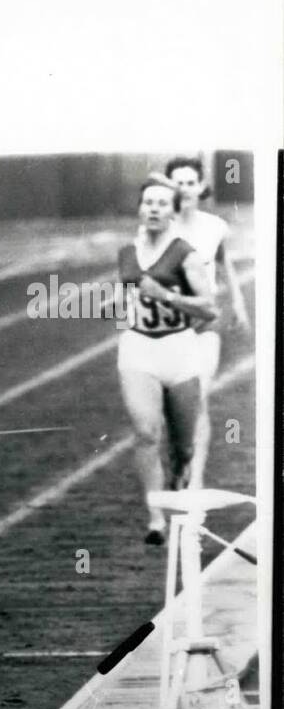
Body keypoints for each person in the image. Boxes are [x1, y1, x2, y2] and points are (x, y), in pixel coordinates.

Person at [116, 175, 219, 543]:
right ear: (140, 209)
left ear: (173, 212)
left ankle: (178, 477)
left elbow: (209, 309)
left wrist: (166, 296)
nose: (154, 209)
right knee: (145, 432)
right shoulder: (127, 252)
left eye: (162, 203)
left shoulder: (185, 254)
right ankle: (155, 518)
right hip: (138, 348)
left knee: (185, 446)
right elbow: (128, 296)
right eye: (148, 203)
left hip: (180, 350)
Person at [164, 156, 251, 491]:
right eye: (177, 183)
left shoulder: (213, 226)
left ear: (200, 187)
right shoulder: (162, 227)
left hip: (205, 321)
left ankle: (195, 478)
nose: (183, 189)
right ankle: (180, 455)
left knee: (198, 393)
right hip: (170, 325)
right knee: (175, 405)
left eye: (189, 182)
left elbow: (223, 261)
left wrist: (239, 303)